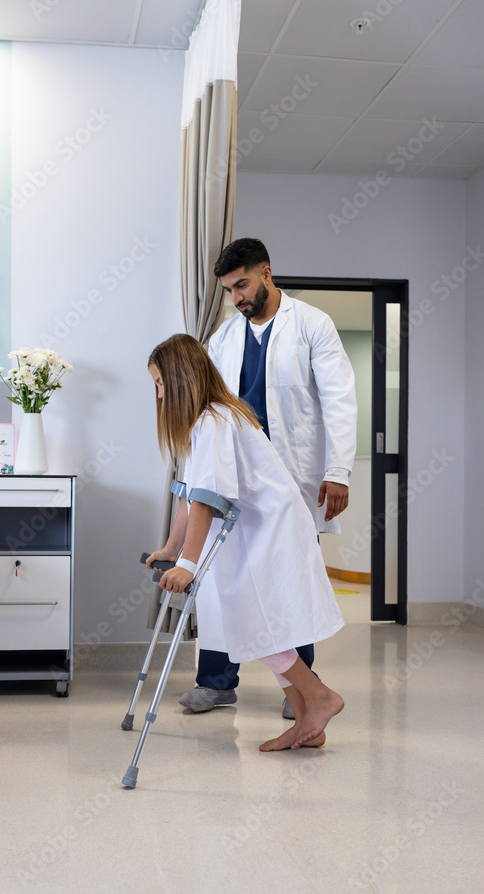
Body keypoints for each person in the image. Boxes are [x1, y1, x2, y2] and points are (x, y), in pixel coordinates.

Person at [179, 238, 357, 718]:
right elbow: (208, 406)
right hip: (238, 478)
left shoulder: (311, 325)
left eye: (243, 285)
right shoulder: (223, 337)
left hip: (292, 481)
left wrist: (338, 471)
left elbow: (340, 400)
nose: (237, 298)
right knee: (221, 575)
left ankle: (300, 689)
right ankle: (217, 681)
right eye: (229, 291)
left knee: (291, 579)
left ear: (267, 273)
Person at [145, 334, 345, 751]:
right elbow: (189, 492)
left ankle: (321, 698)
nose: (159, 393)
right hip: (255, 530)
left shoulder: (214, 421)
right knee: (259, 626)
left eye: (161, 382)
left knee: (259, 625)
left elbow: (206, 499)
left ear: (181, 379)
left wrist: (189, 564)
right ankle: (309, 719)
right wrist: (171, 549)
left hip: (271, 530)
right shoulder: (207, 421)